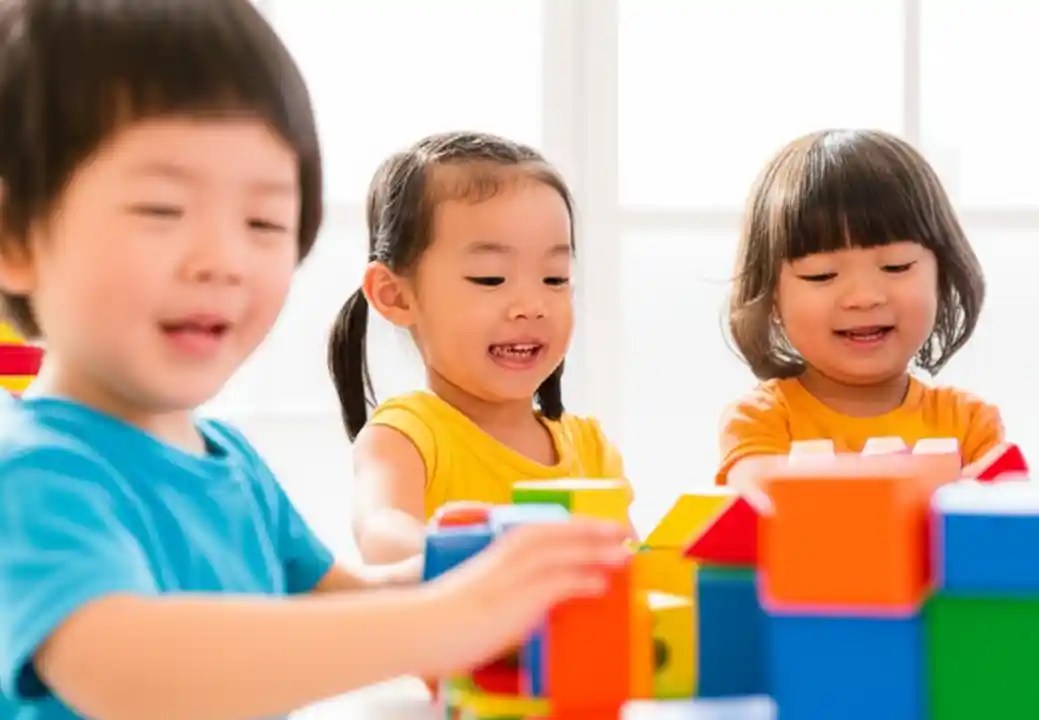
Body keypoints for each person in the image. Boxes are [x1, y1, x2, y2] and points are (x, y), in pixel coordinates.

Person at [0, 3, 626, 718]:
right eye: (162, 210)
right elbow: (120, 668)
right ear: (16, 238)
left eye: (263, 222)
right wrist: (448, 616)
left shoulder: (227, 460)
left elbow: (344, 602)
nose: (224, 261)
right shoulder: (32, 471)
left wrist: (499, 575)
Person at [328, 131, 628, 565]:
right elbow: (381, 532)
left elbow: (629, 565)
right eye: (490, 278)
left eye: (555, 278)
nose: (532, 306)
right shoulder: (406, 437)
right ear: (395, 295)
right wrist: (484, 557)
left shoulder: (591, 449)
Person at [717, 128, 1005, 487]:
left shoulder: (970, 424)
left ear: (942, 275)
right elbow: (765, 515)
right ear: (771, 296)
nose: (864, 297)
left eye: (896, 266)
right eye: (821, 275)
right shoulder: (762, 422)